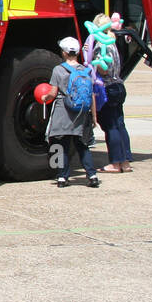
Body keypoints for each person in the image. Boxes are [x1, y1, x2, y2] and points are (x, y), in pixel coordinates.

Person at [47, 36, 100, 188]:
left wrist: (44, 97)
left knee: (60, 145)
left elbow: (52, 93)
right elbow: (91, 95)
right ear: (77, 53)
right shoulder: (86, 71)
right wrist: (94, 116)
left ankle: (62, 177)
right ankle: (92, 175)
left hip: (62, 111)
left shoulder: (58, 70)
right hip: (81, 113)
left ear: (64, 53)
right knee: (82, 145)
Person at [83, 13, 131, 172]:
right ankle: (126, 162)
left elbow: (103, 69)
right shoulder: (113, 43)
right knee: (119, 124)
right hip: (119, 85)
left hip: (108, 87)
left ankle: (115, 162)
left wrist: (91, 62)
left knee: (110, 126)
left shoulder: (101, 45)